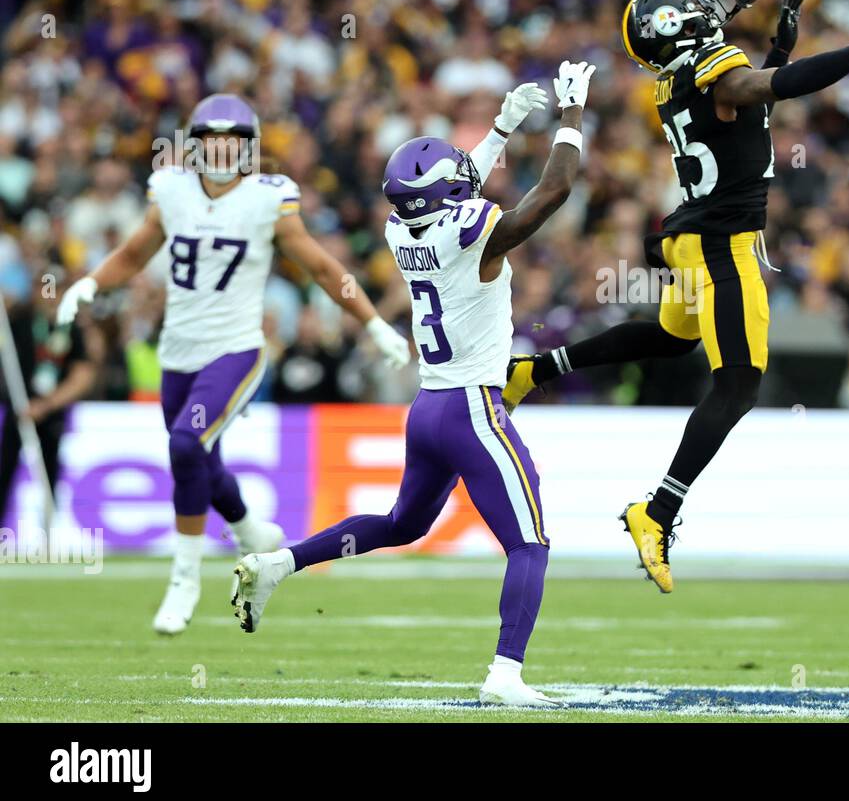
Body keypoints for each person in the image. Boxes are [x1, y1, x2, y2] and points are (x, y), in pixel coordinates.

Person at [504, 0, 849, 593]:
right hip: (722, 247)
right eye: (694, 7)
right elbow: (763, 91)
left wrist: (777, 49)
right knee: (737, 386)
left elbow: (742, 110)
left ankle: (533, 372)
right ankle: (657, 512)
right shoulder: (714, 70)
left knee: (673, 337)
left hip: (693, 235)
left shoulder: (678, 81)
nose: (708, 10)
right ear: (679, 29)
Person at [230, 61, 593, 709]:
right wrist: (572, 113)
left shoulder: (404, 229)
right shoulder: (468, 233)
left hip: (427, 407)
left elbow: (453, 188)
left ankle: (278, 564)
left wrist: (503, 127)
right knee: (530, 541)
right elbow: (555, 191)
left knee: (403, 524)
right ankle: (505, 674)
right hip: (473, 408)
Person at [56, 93, 414, 634]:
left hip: (237, 348)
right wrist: (88, 282)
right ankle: (249, 531)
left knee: (184, 443)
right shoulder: (171, 188)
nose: (222, 150)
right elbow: (135, 254)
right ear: (195, 145)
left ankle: (184, 579)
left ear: (248, 148)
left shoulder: (268, 197)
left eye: (232, 140)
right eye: (212, 139)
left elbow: (318, 265)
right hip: (178, 349)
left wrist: (370, 321)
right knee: (200, 460)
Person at [0, 270, 100, 525]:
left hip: (51, 412)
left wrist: (46, 405)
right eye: (41, 287)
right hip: (17, 409)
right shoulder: (19, 321)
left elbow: (83, 375)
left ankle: (47, 536)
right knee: (4, 471)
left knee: (49, 473)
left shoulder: (71, 327)